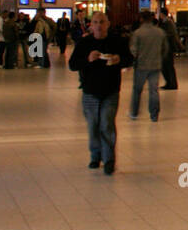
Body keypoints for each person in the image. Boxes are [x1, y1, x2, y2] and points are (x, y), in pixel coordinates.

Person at [68, 11, 133, 175]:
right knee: (93, 125)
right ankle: (95, 155)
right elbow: (73, 65)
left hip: (110, 90)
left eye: (102, 22)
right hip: (90, 91)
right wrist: (88, 60)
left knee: (106, 124)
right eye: (95, 22)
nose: (98, 25)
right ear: (91, 25)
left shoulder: (117, 42)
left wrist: (119, 60)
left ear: (108, 24)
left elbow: (130, 59)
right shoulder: (84, 43)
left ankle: (109, 159)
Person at [128, 9, 167, 122]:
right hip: (155, 65)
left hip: (141, 66)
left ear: (141, 19)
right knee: (153, 91)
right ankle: (154, 115)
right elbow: (165, 49)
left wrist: (133, 61)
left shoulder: (138, 33)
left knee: (137, 90)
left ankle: (134, 112)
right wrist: (160, 58)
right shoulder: (160, 32)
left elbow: (133, 50)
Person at [160, 12, 180, 89]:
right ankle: (169, 83)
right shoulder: (167, 22)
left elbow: (170, 34)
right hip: (167, 46)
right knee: (166, 66)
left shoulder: (168, 22)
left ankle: (171, 84)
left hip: (168, 47)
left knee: (168, 66)